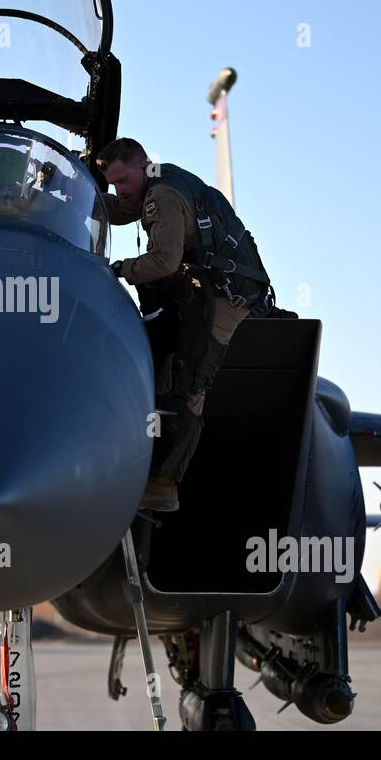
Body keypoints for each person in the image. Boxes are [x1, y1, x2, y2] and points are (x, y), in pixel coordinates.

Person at [96, 138, 271, 512]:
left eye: (123, 181)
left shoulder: (163, 197)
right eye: (113, 184)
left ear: (143, 165)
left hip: (230, 298)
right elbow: (125, 208)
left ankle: (163, 483)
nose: (120, 190)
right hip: (207, 284)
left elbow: (163, 263)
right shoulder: (158, 181)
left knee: (191, 379)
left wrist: (117, 270)